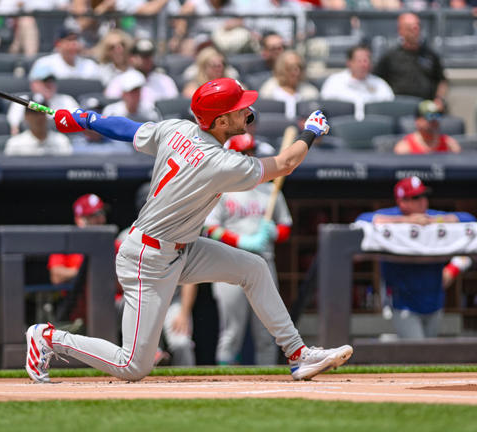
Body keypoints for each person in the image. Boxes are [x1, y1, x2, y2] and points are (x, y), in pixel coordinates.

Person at [31, 77, 352, 383]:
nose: (246, 110)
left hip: (182, 247)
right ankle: (47, 338)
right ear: (221, 122)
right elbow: (284, 164)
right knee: (132, 366)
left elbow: (127, 128)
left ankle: (298, 353)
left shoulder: (177, 129)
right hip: (149, 258)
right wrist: (309, 131)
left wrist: (85, 119)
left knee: (253, 267)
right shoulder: (221, 163)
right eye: (239, 107)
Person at [202, 133, 292, 365]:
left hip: (263, 263)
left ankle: (269, 383)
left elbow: (286, 228)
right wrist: (241, 241)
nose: (248, 156)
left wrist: (273, 232)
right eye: (243, 152)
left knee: (266, 333)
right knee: (231, 332)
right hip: (228, 266)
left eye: (251, 151)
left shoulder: (270, 190)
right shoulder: (220, 189)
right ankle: (224, 386)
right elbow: (210, 229)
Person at [354, 176, 475, 339]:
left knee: (429, 354)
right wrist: (405, 221)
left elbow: (469, 220)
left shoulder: (431, 216)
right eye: (416, 197)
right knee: (417, 352)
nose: (423, 201)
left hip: (434, 301)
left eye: (424, 196)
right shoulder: (392, 216)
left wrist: (435, 221)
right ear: (402, 201)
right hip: (404, 303)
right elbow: (361, 220)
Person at [46, 194, 108, 327]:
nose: (101, 219)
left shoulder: (111, 244)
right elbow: (56, 276)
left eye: (101, 213)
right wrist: (86, 272)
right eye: (94, 216)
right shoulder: (68, 245)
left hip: (110, 304)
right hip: (78, 314)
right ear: (80, 220)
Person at [374, 13, 448, 110]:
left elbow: (442, 80)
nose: (415, 30)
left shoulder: (430, 55)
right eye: (410, 28)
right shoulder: (389, 57)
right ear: (401, 31)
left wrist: (439, 99)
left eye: (417, 27)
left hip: (426, 107)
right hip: (399, 107)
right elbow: (377, 81)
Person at [320, 45, 395, 120]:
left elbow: (390, 108)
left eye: (366, 61)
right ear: (349, 63)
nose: (363, 65)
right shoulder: (334, 82)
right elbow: (326, 108)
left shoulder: (380, 84)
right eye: (359, 61)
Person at [104, 39, 179, 111]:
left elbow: (172, 107)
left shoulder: (164, 81)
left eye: (150, 55)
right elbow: (112, 108)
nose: (148, 60)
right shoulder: (119, 81)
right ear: (132, 58)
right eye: (143, 56)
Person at [6, 64, 79, 135]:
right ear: (33, 84)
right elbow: (15, 129)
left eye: (52, 81)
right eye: (45, 81)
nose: (49, 85)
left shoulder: (67, 100)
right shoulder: (22, 100)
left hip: (62, 142)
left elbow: (79, 123)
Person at [4, 95, 72, 156]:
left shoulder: (61, 141)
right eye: (34, 112)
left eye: (42, 112)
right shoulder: (15, 144)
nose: (38, 117)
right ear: (26, 116)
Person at [259, 50, 319, 119]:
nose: (296, 72)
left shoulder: (310, 92)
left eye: (299, 67)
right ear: (281, 69)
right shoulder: (269, 89)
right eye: (291, 67)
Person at [29, 26, 100, 81]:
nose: (73, 43)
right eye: (69, 39)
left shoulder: (89, 65)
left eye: (76, 39)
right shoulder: (44, 64)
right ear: (58, 43)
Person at [393, 100, 461, 154]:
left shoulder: (449, 145)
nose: (434, 120)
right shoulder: (405, 148)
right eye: (430, 116)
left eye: (437, 116)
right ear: (418, 120)